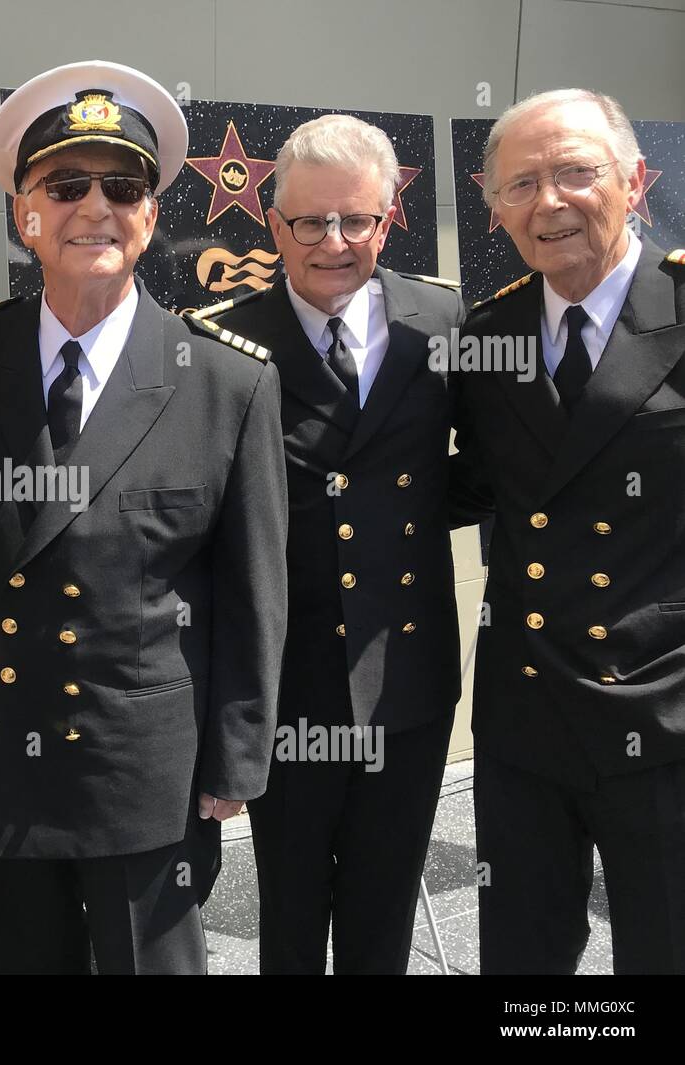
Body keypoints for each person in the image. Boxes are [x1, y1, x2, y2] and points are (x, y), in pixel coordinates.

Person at [0, 60, 289, 975]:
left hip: (145, 770)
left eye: (122, 187)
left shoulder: (227, 381)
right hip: (6, 760)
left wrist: (235, 761)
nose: (95, 206)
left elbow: (255, 591)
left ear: (148, 216)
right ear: (24, 214)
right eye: (66, 185)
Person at [197, 114, 474, 973]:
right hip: (290, 688)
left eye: (357, 220)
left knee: (383, 904)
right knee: (290, 905)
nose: (334, 242)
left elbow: (489, 463)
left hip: (408, 678)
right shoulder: (217, 338)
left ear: (388, 221)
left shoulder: (445, 316)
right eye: (310, 222)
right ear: (274, 225)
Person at [456, 88, 685, 974]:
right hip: (525, 720)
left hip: (664, 715)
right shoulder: (489, 335)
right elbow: (468, 485)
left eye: (575, 173)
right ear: (495, 210)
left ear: (632, 180)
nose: (548, 203)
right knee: (524, 960)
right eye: (520, 185)